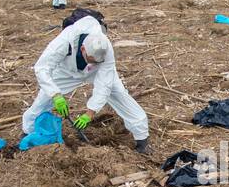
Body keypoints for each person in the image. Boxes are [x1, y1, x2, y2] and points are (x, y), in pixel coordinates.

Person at [20, 10, 150, 154]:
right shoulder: (64, 41)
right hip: (66, 71)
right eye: (91, 59)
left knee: (119, 94)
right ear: (82, 49)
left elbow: (105, 83)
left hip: (98, 72)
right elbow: (42, 68)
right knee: (42, 101)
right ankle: (28, 134)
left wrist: (90, 113)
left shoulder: (105, 47)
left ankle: (142, 139)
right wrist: (55, 94)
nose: (93, 63)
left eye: (97, 61)